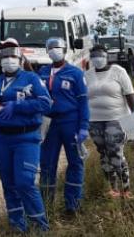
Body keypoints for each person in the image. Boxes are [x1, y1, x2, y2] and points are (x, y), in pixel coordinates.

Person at [0, 38, 52, 233]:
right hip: (1, 139)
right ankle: (17, 225)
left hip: (26, 138)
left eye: (12, 55)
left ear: (20, 58)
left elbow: (46, 103)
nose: (8, 59)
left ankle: (40, 227)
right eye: (4, 55)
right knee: (8, 183)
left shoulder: (31, 79)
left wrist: (18, 106)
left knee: (25, 182)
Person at [38, 37, 89, 217]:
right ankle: (45, 204)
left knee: (75, 162)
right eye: (50, 47)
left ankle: (72, 205)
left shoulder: (75, 73)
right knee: (46, 163)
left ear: (65, 49)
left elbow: (83, 102)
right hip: (49, 123)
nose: (53, 50)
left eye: (57, 47)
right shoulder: (43, 72)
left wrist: (83, 126)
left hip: (70, 122)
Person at [84, 44, 134, 198]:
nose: (97, 58)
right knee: (103, 152)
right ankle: (112, 188)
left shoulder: (118, 71)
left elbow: (130, 95)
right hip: (94, 119)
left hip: (117, 118)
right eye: (93, 55)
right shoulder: (87, 75)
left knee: (114, 150)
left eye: (100, 54)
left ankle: (126, 188)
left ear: (106, 56)